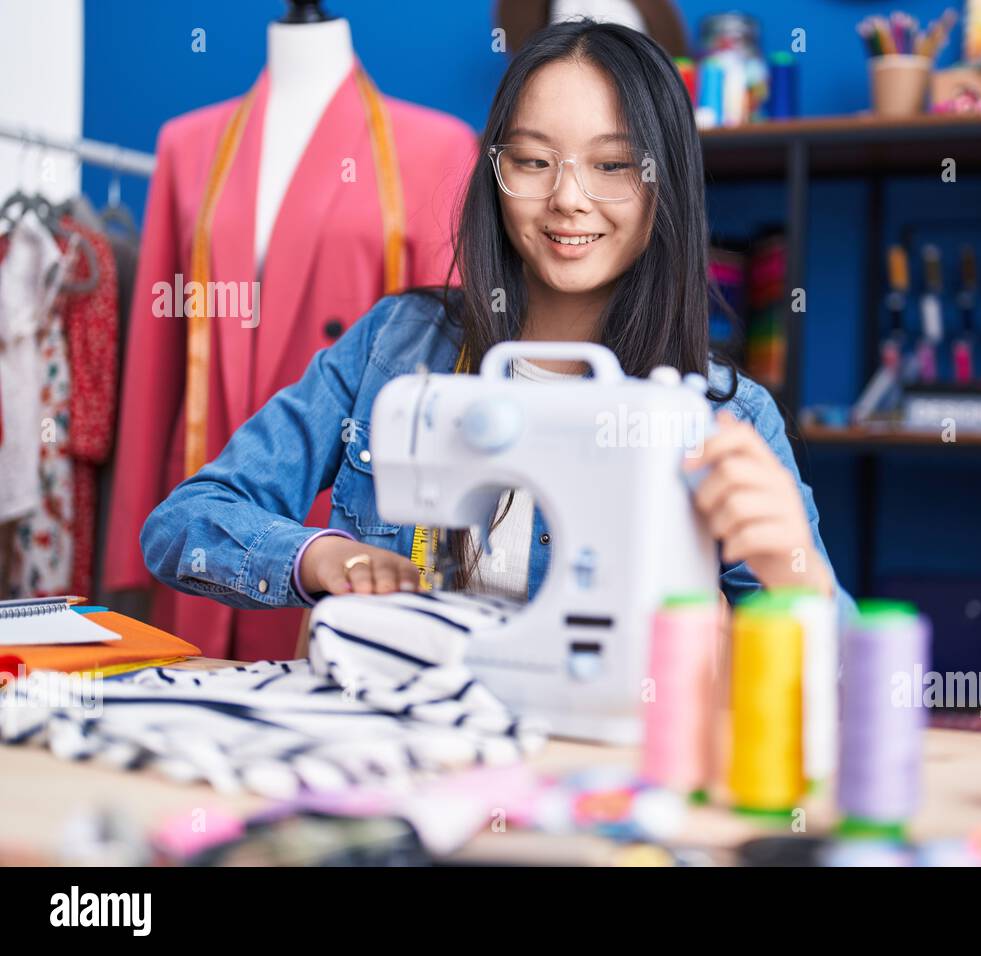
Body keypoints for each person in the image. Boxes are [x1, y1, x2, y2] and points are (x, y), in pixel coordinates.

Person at [142, 19, 852, 650]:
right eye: (533, 161)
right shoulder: (396, 345)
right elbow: (185, 523)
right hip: (402, 751)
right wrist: (323, 557)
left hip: (590, 775)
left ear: (663, 182)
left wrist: (798, 572)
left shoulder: (724, 418)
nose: (568, 198)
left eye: (611, 165)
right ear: (495, 172)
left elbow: (844, 675)